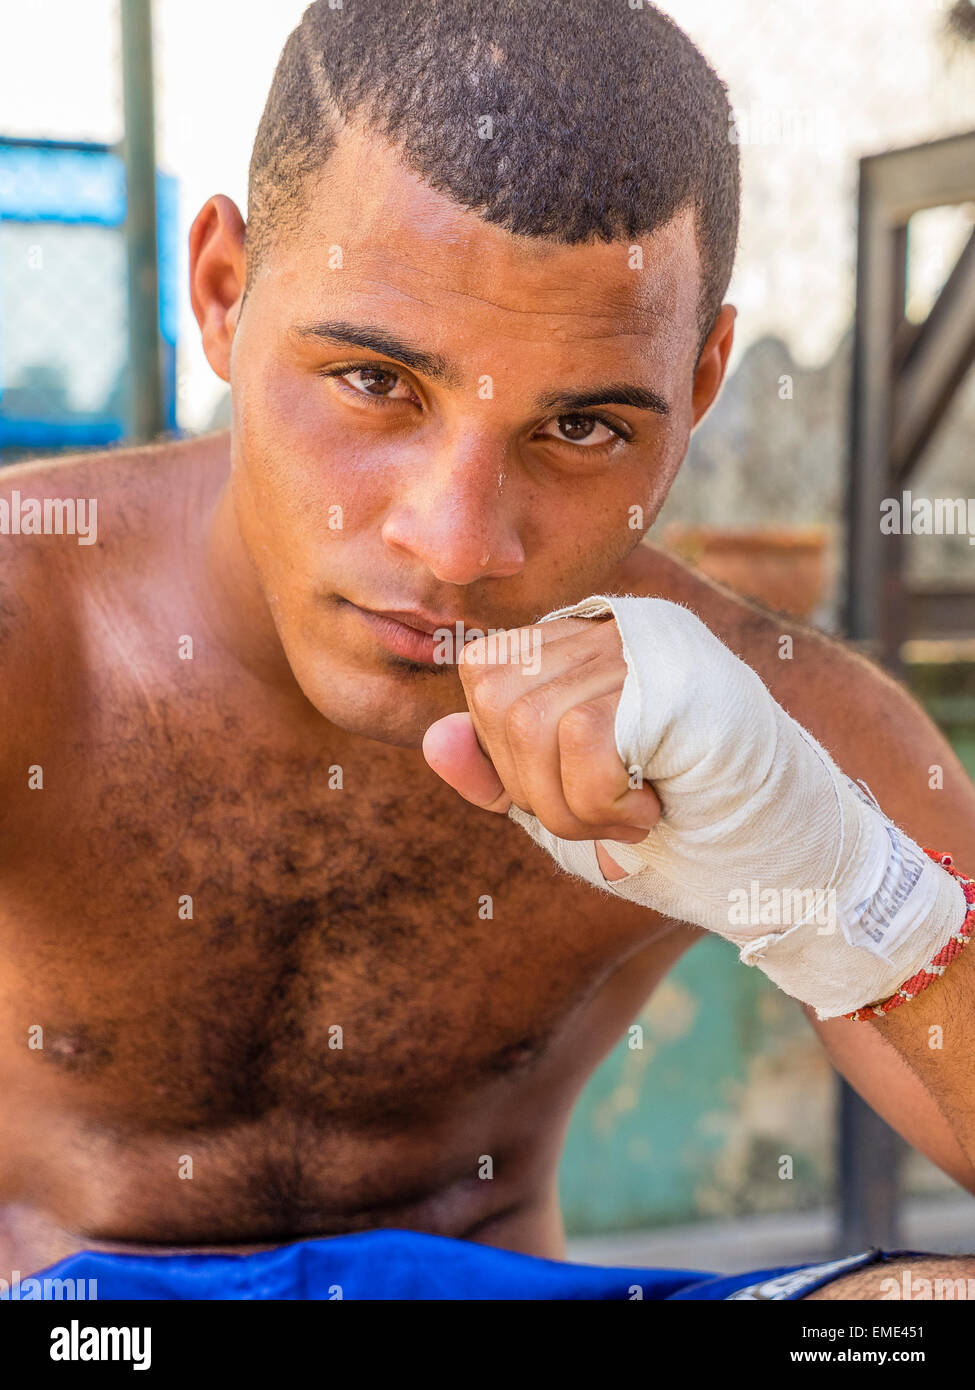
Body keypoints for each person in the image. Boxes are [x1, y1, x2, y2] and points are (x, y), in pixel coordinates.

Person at [2, 0, 973, 1301]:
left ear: (698, 384)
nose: (456, 542)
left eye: (579, 428)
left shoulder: (766, 722)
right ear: (225, 294)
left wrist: (841, 878)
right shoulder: (28, 625)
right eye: (371, 381)